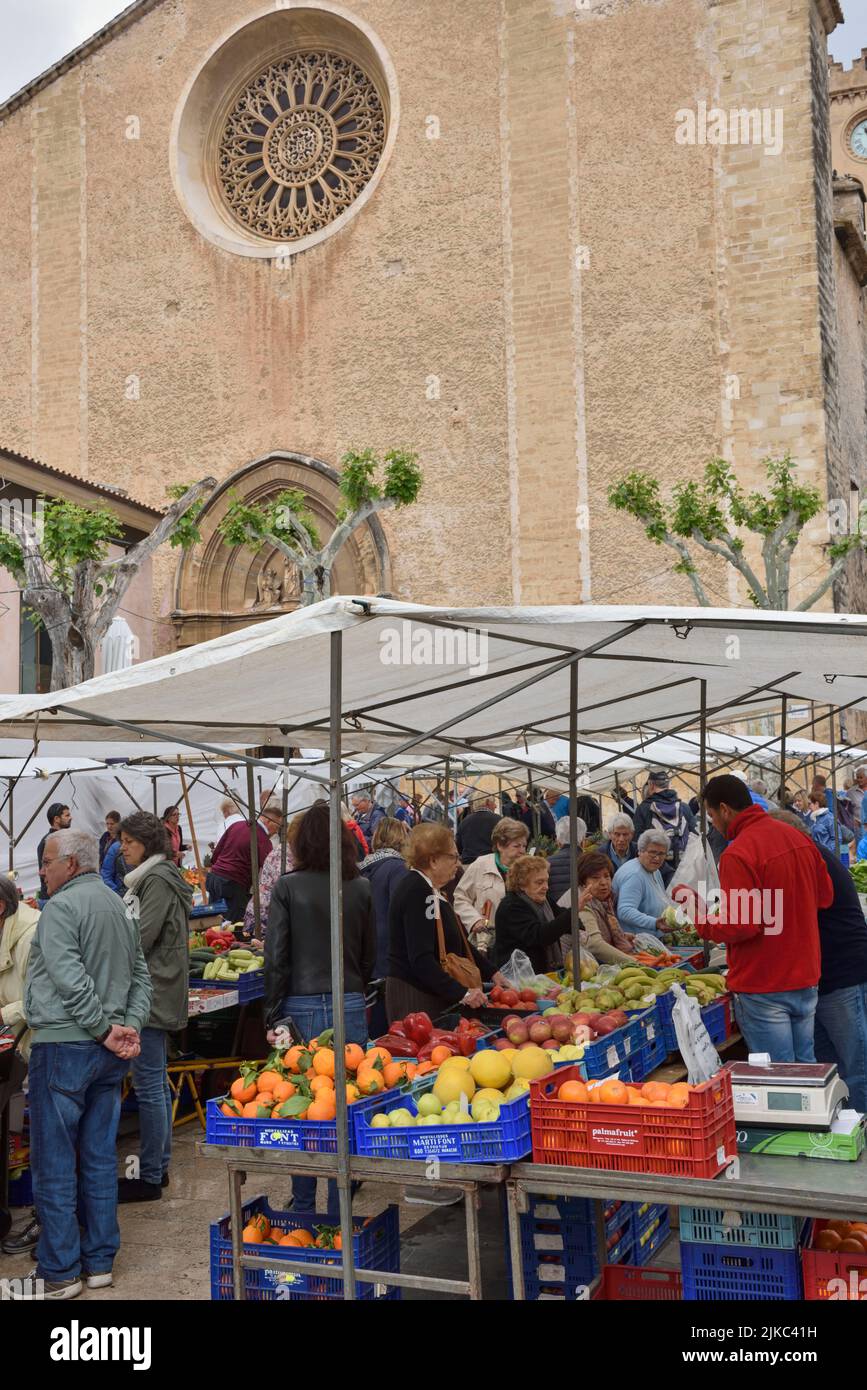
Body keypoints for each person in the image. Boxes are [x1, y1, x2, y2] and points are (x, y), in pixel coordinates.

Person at [17, 829, 151, 1301]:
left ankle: (60, 1273)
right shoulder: (118, 904)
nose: (43, 869)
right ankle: (98, 1264)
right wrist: (125, 1026)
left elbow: (69, 978)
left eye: (48, 861)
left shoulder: (59, 910)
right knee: (97, 1160)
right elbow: (140, 976)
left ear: (71, 864)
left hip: (67, 1047)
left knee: (54, 1165)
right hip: (107, 1052)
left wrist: (104, 1028)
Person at [264, 802, 376, 1217]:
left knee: (302, 1103)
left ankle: (304, 1203)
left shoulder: (287, 887)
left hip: (300, 1002)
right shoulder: (360, 886)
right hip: (348, 999)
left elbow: (275, 958)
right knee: (346, 1101)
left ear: (299, 844)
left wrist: (272, 1014)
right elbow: (369, 957)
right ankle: (341, 1202)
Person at [696, 775, 833, 1063]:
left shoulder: (738, 853)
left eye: (710, 815)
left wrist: (701, 919)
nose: (713, 824)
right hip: (805, 975)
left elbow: (742, 925)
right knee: (805, 1070)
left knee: (778, 1077)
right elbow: (825, 898)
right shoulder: (797, 837)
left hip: (764, 981)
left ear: (724, 809)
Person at [116, 811, 192, 1203]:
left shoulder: (157, 881)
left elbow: (140, 937)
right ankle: (156, 1167)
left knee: (148, 1085)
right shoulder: (155, 877)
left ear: (146, 843)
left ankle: (150, 1175)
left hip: (152, 992)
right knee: (154, 1083)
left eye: (128, 841)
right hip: (158, 988)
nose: (122, 847)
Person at [770, 811, 867, 1111]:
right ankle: (843, 1126)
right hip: (820, 978)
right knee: (829, 1065)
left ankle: (861, 1129)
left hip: (842, 973)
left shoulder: (813, 861)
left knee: (854, 1063)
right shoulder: (810, 857)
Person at [387, 822, 504, 1021]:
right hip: (416, 997)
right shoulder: (418, 891)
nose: (457, 863)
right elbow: (421, 958)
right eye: (453, 857)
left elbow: (460, 942)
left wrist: (492, 973)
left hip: (428, 992)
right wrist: (462, 993)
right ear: (433, 860)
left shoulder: (430, 889)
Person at [0, 876, 41, 1257]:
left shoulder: (29, 934)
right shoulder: (6, 929)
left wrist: (0, 1015)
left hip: (33, 1045)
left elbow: (36, 999)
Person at [360, 818, 410, 1036]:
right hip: (389, 958)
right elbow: (402, 914)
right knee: (389, 1026)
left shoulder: (362, 869)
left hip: (366, 956)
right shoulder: (398, 868)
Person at [493, 854, 582, 974]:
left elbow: (561, 917)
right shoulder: (511, 907)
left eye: (546, 881)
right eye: (539, 882)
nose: (546, 887)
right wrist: (573, 911)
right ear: (521, 884)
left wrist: (580, 927)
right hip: (520, 978)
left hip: (544, 975)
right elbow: (540, 936)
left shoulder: (544, 900)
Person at [453, 817, 529, 953]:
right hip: (488, 943)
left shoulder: (528, 869)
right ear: (500, 846)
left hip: (522, 942)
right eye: (517, 846)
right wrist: (474, 920)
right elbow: (460, 898)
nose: (522, 850)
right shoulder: (480, 865)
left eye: (524, 845)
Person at [206, 801, 283, 923]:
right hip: (232, 884)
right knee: (233, 927)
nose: (276, 831)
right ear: (268, 822)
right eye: (278, 826)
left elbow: (217, 852)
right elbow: (271, 869)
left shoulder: (237, 825)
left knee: (213, 922)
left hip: (215, 878)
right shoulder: (262, 839)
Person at [571, 851, 637, 966]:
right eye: (595, 878)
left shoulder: (605, 901)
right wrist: (633, 962)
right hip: (578, 968)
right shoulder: (581, 902)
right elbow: (594, 944)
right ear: (583, 881)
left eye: (607, 876)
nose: (603, 883)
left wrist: (622, 936)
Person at [631, 771, 695, 886]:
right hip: (684, 868)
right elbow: (696, 837)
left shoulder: (644, 808)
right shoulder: (684, 808)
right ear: (668, 785)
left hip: (656, 871)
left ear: (650, 785)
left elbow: (636, 843)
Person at [612, 830, 671, 936]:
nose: (657, 858)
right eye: (652, 852)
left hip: (652, 940)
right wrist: (654, 923)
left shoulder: (655, 870)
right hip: (636, 943)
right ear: (640, 851)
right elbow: (625, 911)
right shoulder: (634, 875)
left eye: (661, 853)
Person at [546, 815, 587, 908]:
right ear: (583, 841)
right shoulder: (592, 862)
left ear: (558, 842)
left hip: (557, 917)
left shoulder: (547, 863)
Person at [455, 792, 501, 865]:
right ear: (487, 802)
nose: (495, 806)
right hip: (491, 864)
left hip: (468, 864)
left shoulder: (464, 821)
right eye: (494, 802)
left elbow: (458, 846)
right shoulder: (499, 820)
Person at [36, 803, 71, 884]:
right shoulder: (49, 841)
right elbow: (46, 873)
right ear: (56, 819)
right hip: (53, 892)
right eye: (67, 815)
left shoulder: (63, 838)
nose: (70, 818)